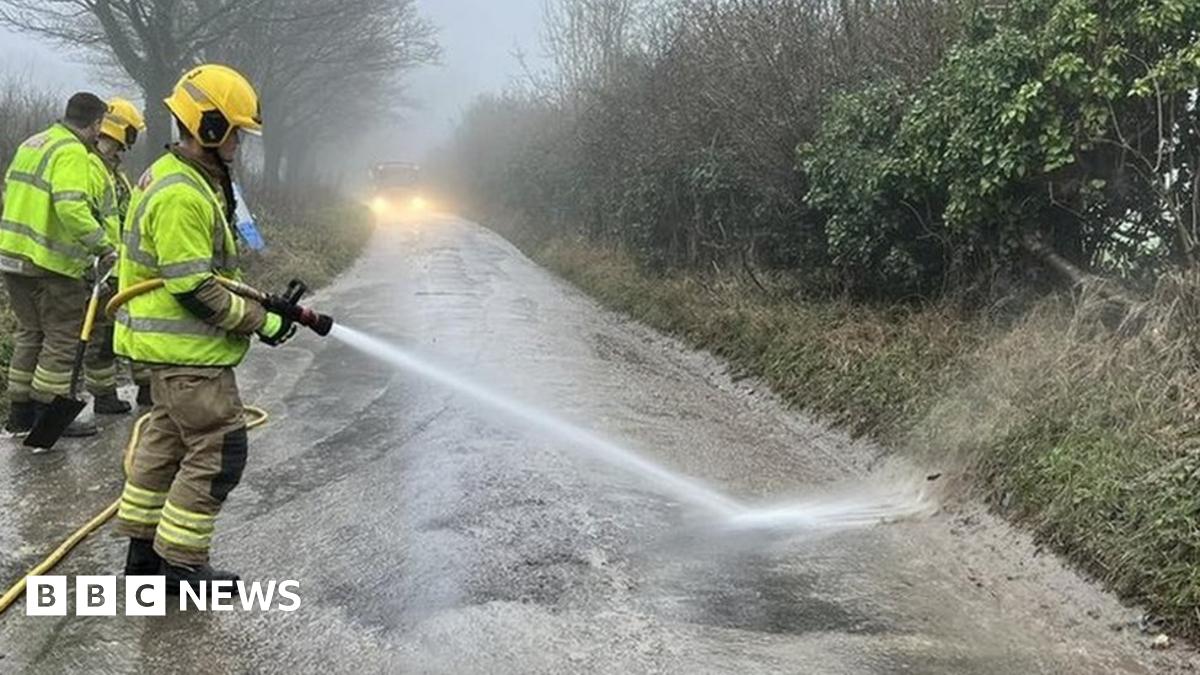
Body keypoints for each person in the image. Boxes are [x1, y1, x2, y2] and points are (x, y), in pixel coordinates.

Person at [114, 64, 294, 588]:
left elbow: (206, 273)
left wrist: (264, 305)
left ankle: (143, 560)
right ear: (210, 127)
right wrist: (259, 322)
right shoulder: (181, 195)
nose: (241, 143)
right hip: (187, 355)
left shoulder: (182, 179)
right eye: (236, 131)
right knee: (220, 448)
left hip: (167, 355)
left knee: (167, 445)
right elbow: (194, 287)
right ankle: (183, 568)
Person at [0, 93, 116, 437]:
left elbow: (10, 190)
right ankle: (46, 414)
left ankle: (19, 413)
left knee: (30, 333)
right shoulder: (71, 153)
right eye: (100, 126)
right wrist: (104, 246)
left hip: (12, 256)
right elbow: (71, 207)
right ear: (95, 123)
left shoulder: (33, 143)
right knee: (62, 338)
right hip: (50, 264)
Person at [84, 97, 146, 416]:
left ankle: (146, 386)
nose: (128, 146)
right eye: (130, 135)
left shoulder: (114, 172)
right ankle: (104, 395)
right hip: (100, 266)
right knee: (103, 336)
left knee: (131, 327)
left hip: (120, 263)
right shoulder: (90, 166)